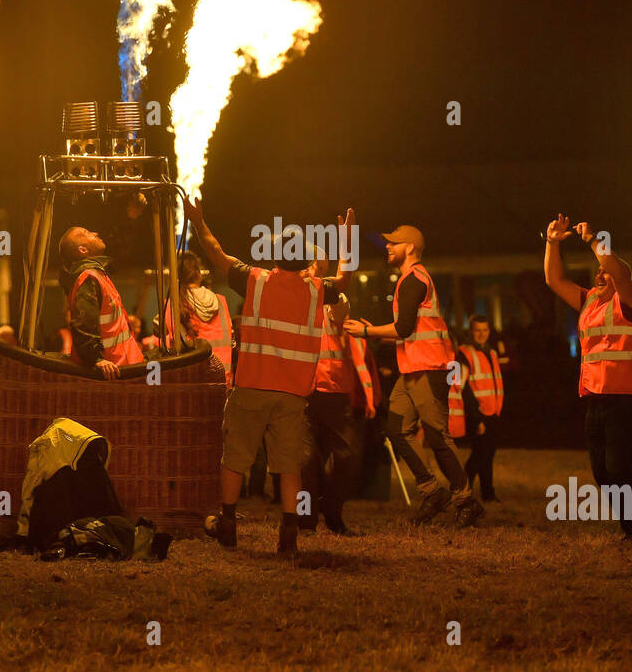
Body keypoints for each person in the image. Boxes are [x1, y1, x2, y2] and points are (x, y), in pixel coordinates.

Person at [186, 197, 354, 556]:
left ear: (274, 255)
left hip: (251, 387)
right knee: (289, 465)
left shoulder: (255, 280)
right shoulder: (316, 291)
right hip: (293, 395)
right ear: (306, 261)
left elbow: (216, 254)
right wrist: (348, 240)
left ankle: (227, 525)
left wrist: (198, 221)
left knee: (235, 459)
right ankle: (289, 533)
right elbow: (345, 279)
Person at [344, 225, 484, 529]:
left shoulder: (413, 280)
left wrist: (367, 331)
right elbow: (410, 331)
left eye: (394, 243)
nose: (388, 247)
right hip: (413, 369)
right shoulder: (411, 280)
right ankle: (433, 492)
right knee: (396, 430)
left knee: (436, 436)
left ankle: (466, 501)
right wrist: (376, 333)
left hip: (429, 369)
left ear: (410, 247)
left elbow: (404, 328)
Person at [543, 214, 632, 545]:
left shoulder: (631, 299)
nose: (601, 274)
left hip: (624, 398)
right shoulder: (590, 300)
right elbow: (554, 279)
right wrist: (552, 242)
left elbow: (618, 271)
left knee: (619, 468)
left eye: (606, 271)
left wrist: (593, 240)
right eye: (598, 272)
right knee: (603, 473)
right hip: (595, 396)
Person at [300, 274, 376, 536]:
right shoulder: (293, 298)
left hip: (336, 391)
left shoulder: (336, 297)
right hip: (304, 390)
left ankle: (331, 509)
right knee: (305, 463)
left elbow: (341, 313)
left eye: (316, 266)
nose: (311, 272)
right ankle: (305, 521)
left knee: (348, 458)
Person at [58, 226, 143, 377]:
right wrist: (96, 359)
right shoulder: (88, 278)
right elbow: (83, 324)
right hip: (114, 371)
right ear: (83, 249)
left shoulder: (96, 274)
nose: (95, 233)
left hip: (122, 365)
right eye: (87, 233)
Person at [165, 250, 234, 383]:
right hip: (222, 379)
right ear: (198, 274)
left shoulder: (173, 304)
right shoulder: (221, 301)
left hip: (193, 382)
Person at [458, 314, 505, 502]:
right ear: (470, 332)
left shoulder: (491, 352)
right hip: (477, 412)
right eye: (477, 330)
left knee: (487, 454)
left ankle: (487, 493)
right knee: (480, 455)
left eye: (485, 330)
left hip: (492, 411)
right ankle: (463, 490)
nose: (481, 334)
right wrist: (476, 417)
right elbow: (461, 387)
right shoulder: (463, 353)